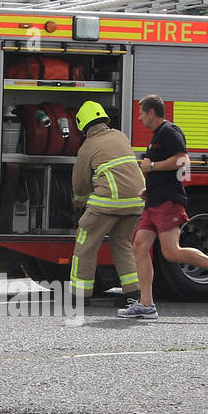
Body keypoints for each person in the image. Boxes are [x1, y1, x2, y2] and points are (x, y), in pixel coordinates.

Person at [119, 95, 208, 320]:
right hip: (155, 200)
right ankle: (146, 304)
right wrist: (150, 188)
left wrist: (153, 166)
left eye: (141, 113)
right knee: (139, 245)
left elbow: (183, 160)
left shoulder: (169, 131)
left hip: (168, 201)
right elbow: (167, 170)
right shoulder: (157, 136)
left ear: (152, 113)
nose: (139, 118)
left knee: (171, 252)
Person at [69, 100, 144, 308]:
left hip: (108, 202)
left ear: (82, 124)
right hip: (136, 201)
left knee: (85, 243)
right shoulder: (120, 136)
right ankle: (133, 293)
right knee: (122, 244)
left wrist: (78, 204)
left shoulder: (87, 146)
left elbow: (81, 184)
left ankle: (80, 296)